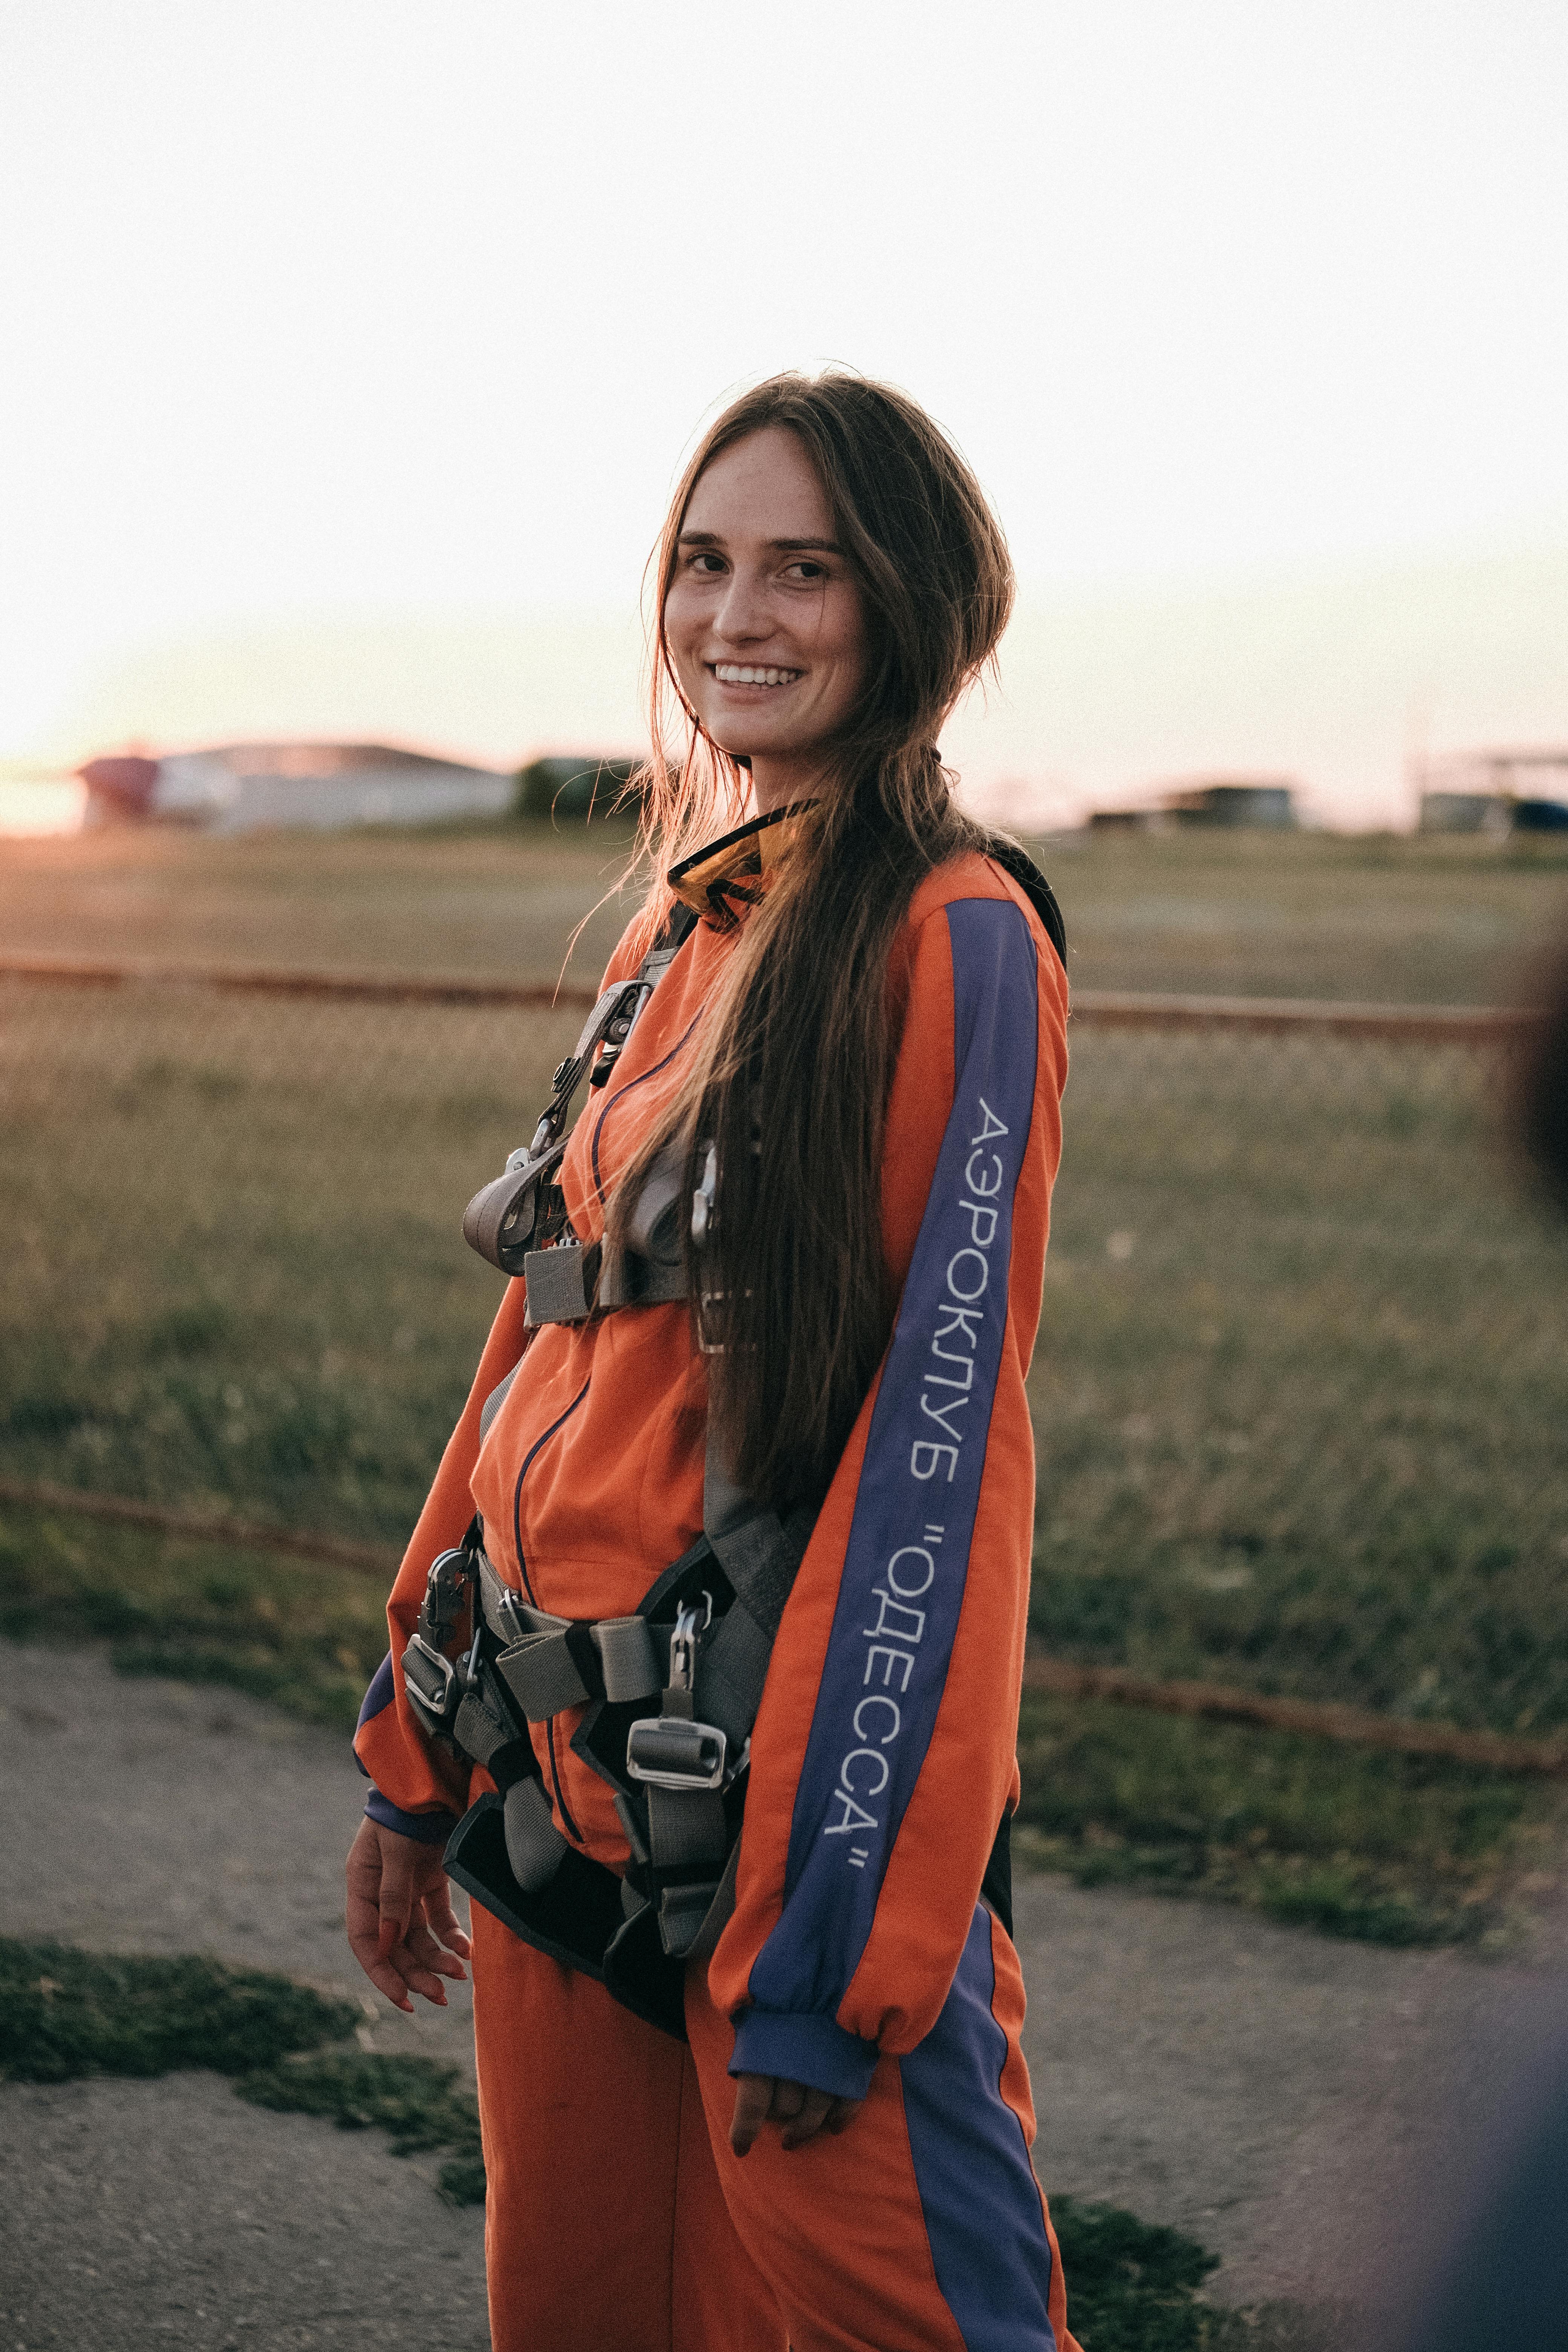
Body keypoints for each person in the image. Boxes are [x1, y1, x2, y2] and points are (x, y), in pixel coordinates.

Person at [345, 371, 1078, 2352]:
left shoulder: (955, 939)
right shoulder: (672, 942)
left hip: (780, 1866)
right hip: (548, 1811)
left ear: (909, 605)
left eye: (803, 570)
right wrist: (418, 1759)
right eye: (703, 561)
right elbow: (537, 1354)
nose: (734, 617)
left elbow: (938, 1468)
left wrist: (835, 1949)